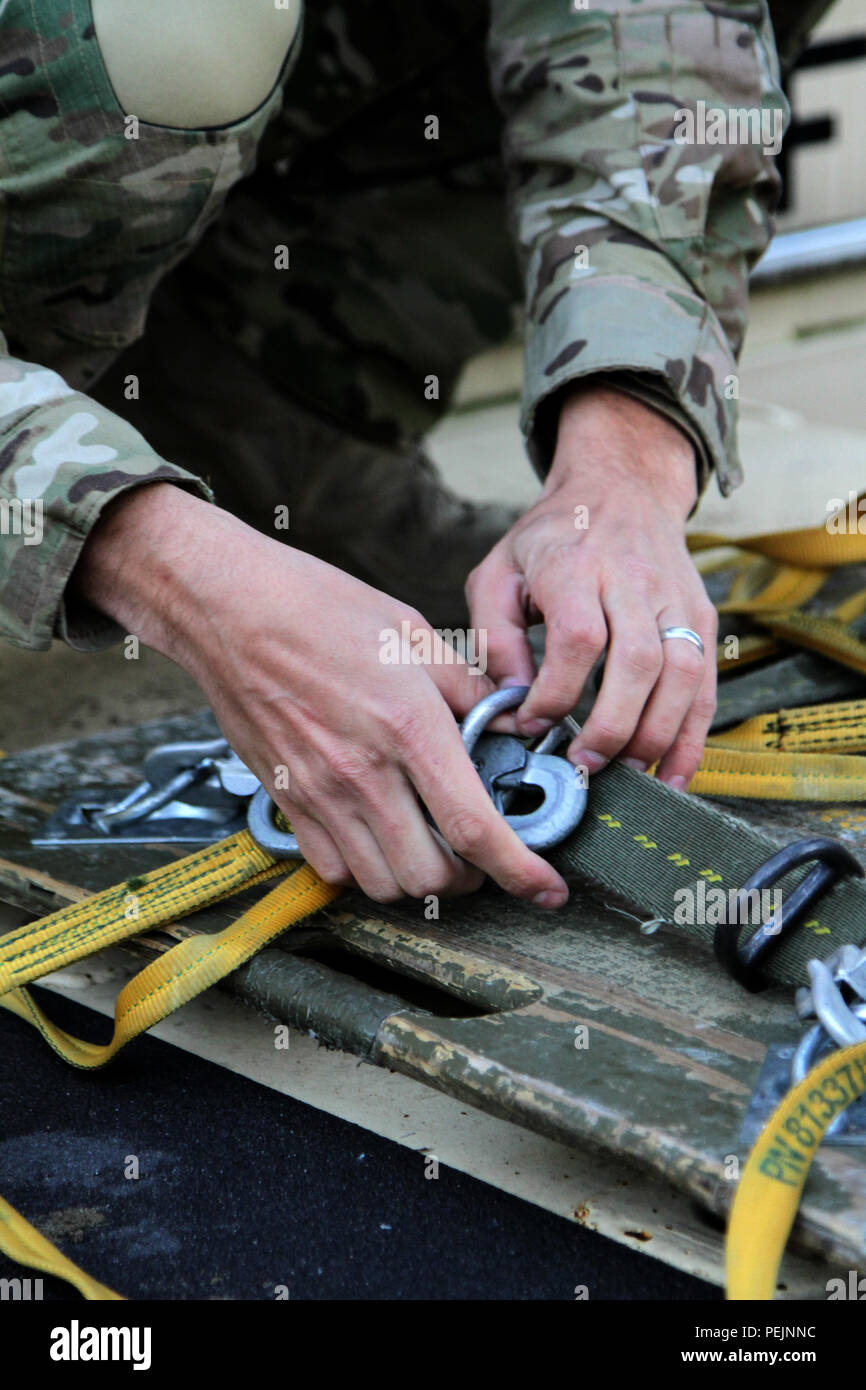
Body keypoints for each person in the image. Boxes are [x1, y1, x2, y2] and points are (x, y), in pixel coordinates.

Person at [0, 0, 829, 906]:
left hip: (245, 319)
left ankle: (262, 426)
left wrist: (629, 449)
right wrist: (164, 566)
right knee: (175, 29)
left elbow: (645, 30)